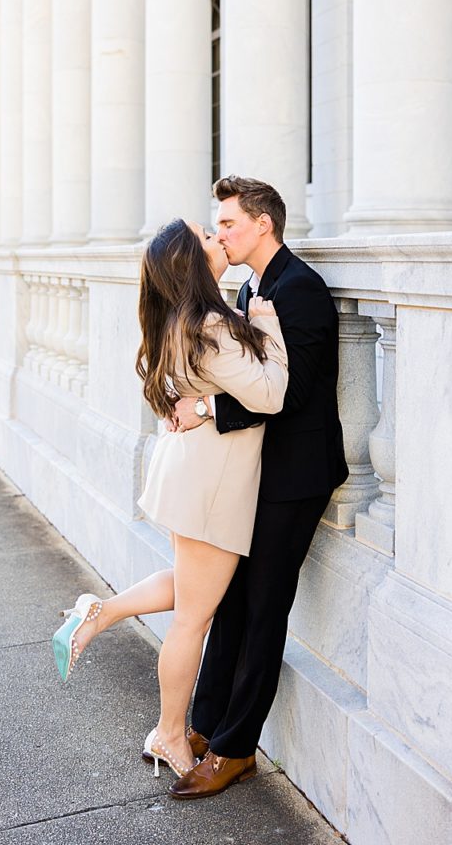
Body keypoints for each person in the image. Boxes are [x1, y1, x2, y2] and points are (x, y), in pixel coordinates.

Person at [52, 218, 289, 782]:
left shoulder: (176, 321)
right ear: (193, 262)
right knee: (193, 619)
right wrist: (268, 323)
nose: (217, 238)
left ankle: (101, 610)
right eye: (207, 235)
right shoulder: (210, 324)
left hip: (191, 475)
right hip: (211, 482)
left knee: (191, 584)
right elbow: (273, 394)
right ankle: (169, 731)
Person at [161, 175, 348, 799]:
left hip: (297, 477)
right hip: (258, 473)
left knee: (264, 607)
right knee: (230, 601)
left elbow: (287, 397)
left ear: (263, 224)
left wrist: (209, 409)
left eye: (230, 225)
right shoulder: (250, 287)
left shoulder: (301, 290)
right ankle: (205, 728)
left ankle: (236, 749)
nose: (220, 235)